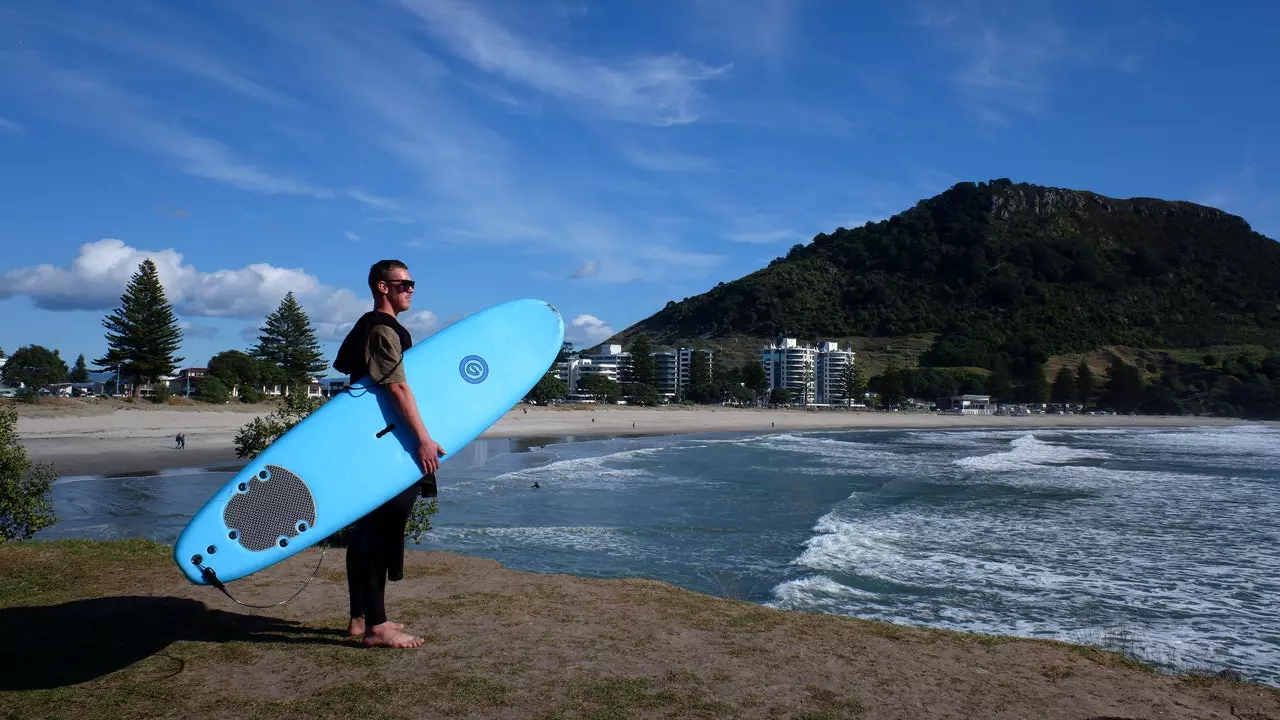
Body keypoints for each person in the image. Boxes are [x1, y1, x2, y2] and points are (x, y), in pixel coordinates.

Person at [332, 259, 446, 649]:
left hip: (372, 442)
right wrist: (423, 440)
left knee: (367, 533)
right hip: (388, 446)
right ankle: (377, 627)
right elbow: (397, 389)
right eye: (404, 283)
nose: (411, 289)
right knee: (379, 534)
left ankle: (361, 618)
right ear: (383, 287)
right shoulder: (382, 330)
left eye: (413, 283)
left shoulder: (377, 327)